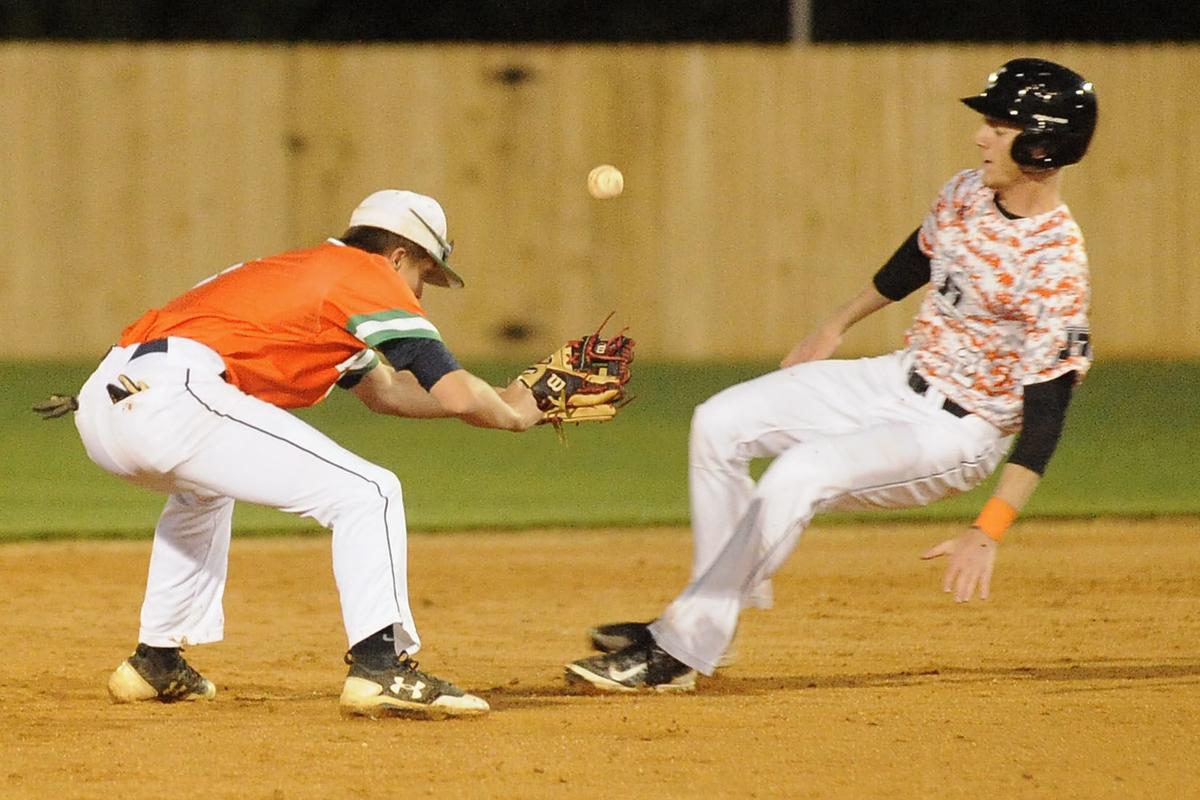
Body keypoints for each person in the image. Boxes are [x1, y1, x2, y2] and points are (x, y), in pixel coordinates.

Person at [565, 58, 1098, 692]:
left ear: (1043, 144)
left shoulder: (1058, 266)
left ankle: (681, 648)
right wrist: (835, 325)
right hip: (897, 378)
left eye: (999, 125)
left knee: (800, 472)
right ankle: (711, 619)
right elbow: (914, 261)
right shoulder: (967, 191)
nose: (982, 136)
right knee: (719, 423)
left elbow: (1046, 420)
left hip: (958, 434)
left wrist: (988, 532)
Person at [71, 189, 542, 718]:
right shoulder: (365, 276)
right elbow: (454, 392)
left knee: (203, 494)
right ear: (398, 256)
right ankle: (380, 668)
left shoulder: (303, 276)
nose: (419, 293)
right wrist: (516, 414)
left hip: (105, 406)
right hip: (175, 396)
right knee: (369, 493)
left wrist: (504, 399)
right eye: (423, 275)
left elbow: (386, 393)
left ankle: (155, 661)